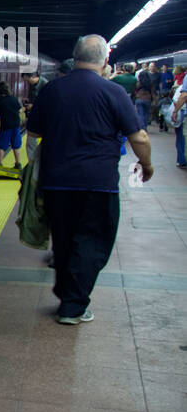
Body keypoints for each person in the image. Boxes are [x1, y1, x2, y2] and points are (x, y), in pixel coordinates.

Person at [26, 35, 152, 325]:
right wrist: (147, 166)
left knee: (65, 239)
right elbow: (139, 137)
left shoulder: (53, 89)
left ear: (74, 56)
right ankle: (73, 306)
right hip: (98, 183)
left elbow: (33, 134)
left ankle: (66, 292)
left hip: (56, 181)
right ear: (105, 61)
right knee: (94, 241)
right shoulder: (113, 92)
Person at [0, 80, 25, 168]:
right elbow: (20, 111)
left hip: (5, 126)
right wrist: (24, 108)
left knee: (2, 146)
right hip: (16, 126)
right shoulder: (14, 99)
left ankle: (0, 164)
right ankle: (18, 163)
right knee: (16, 146)